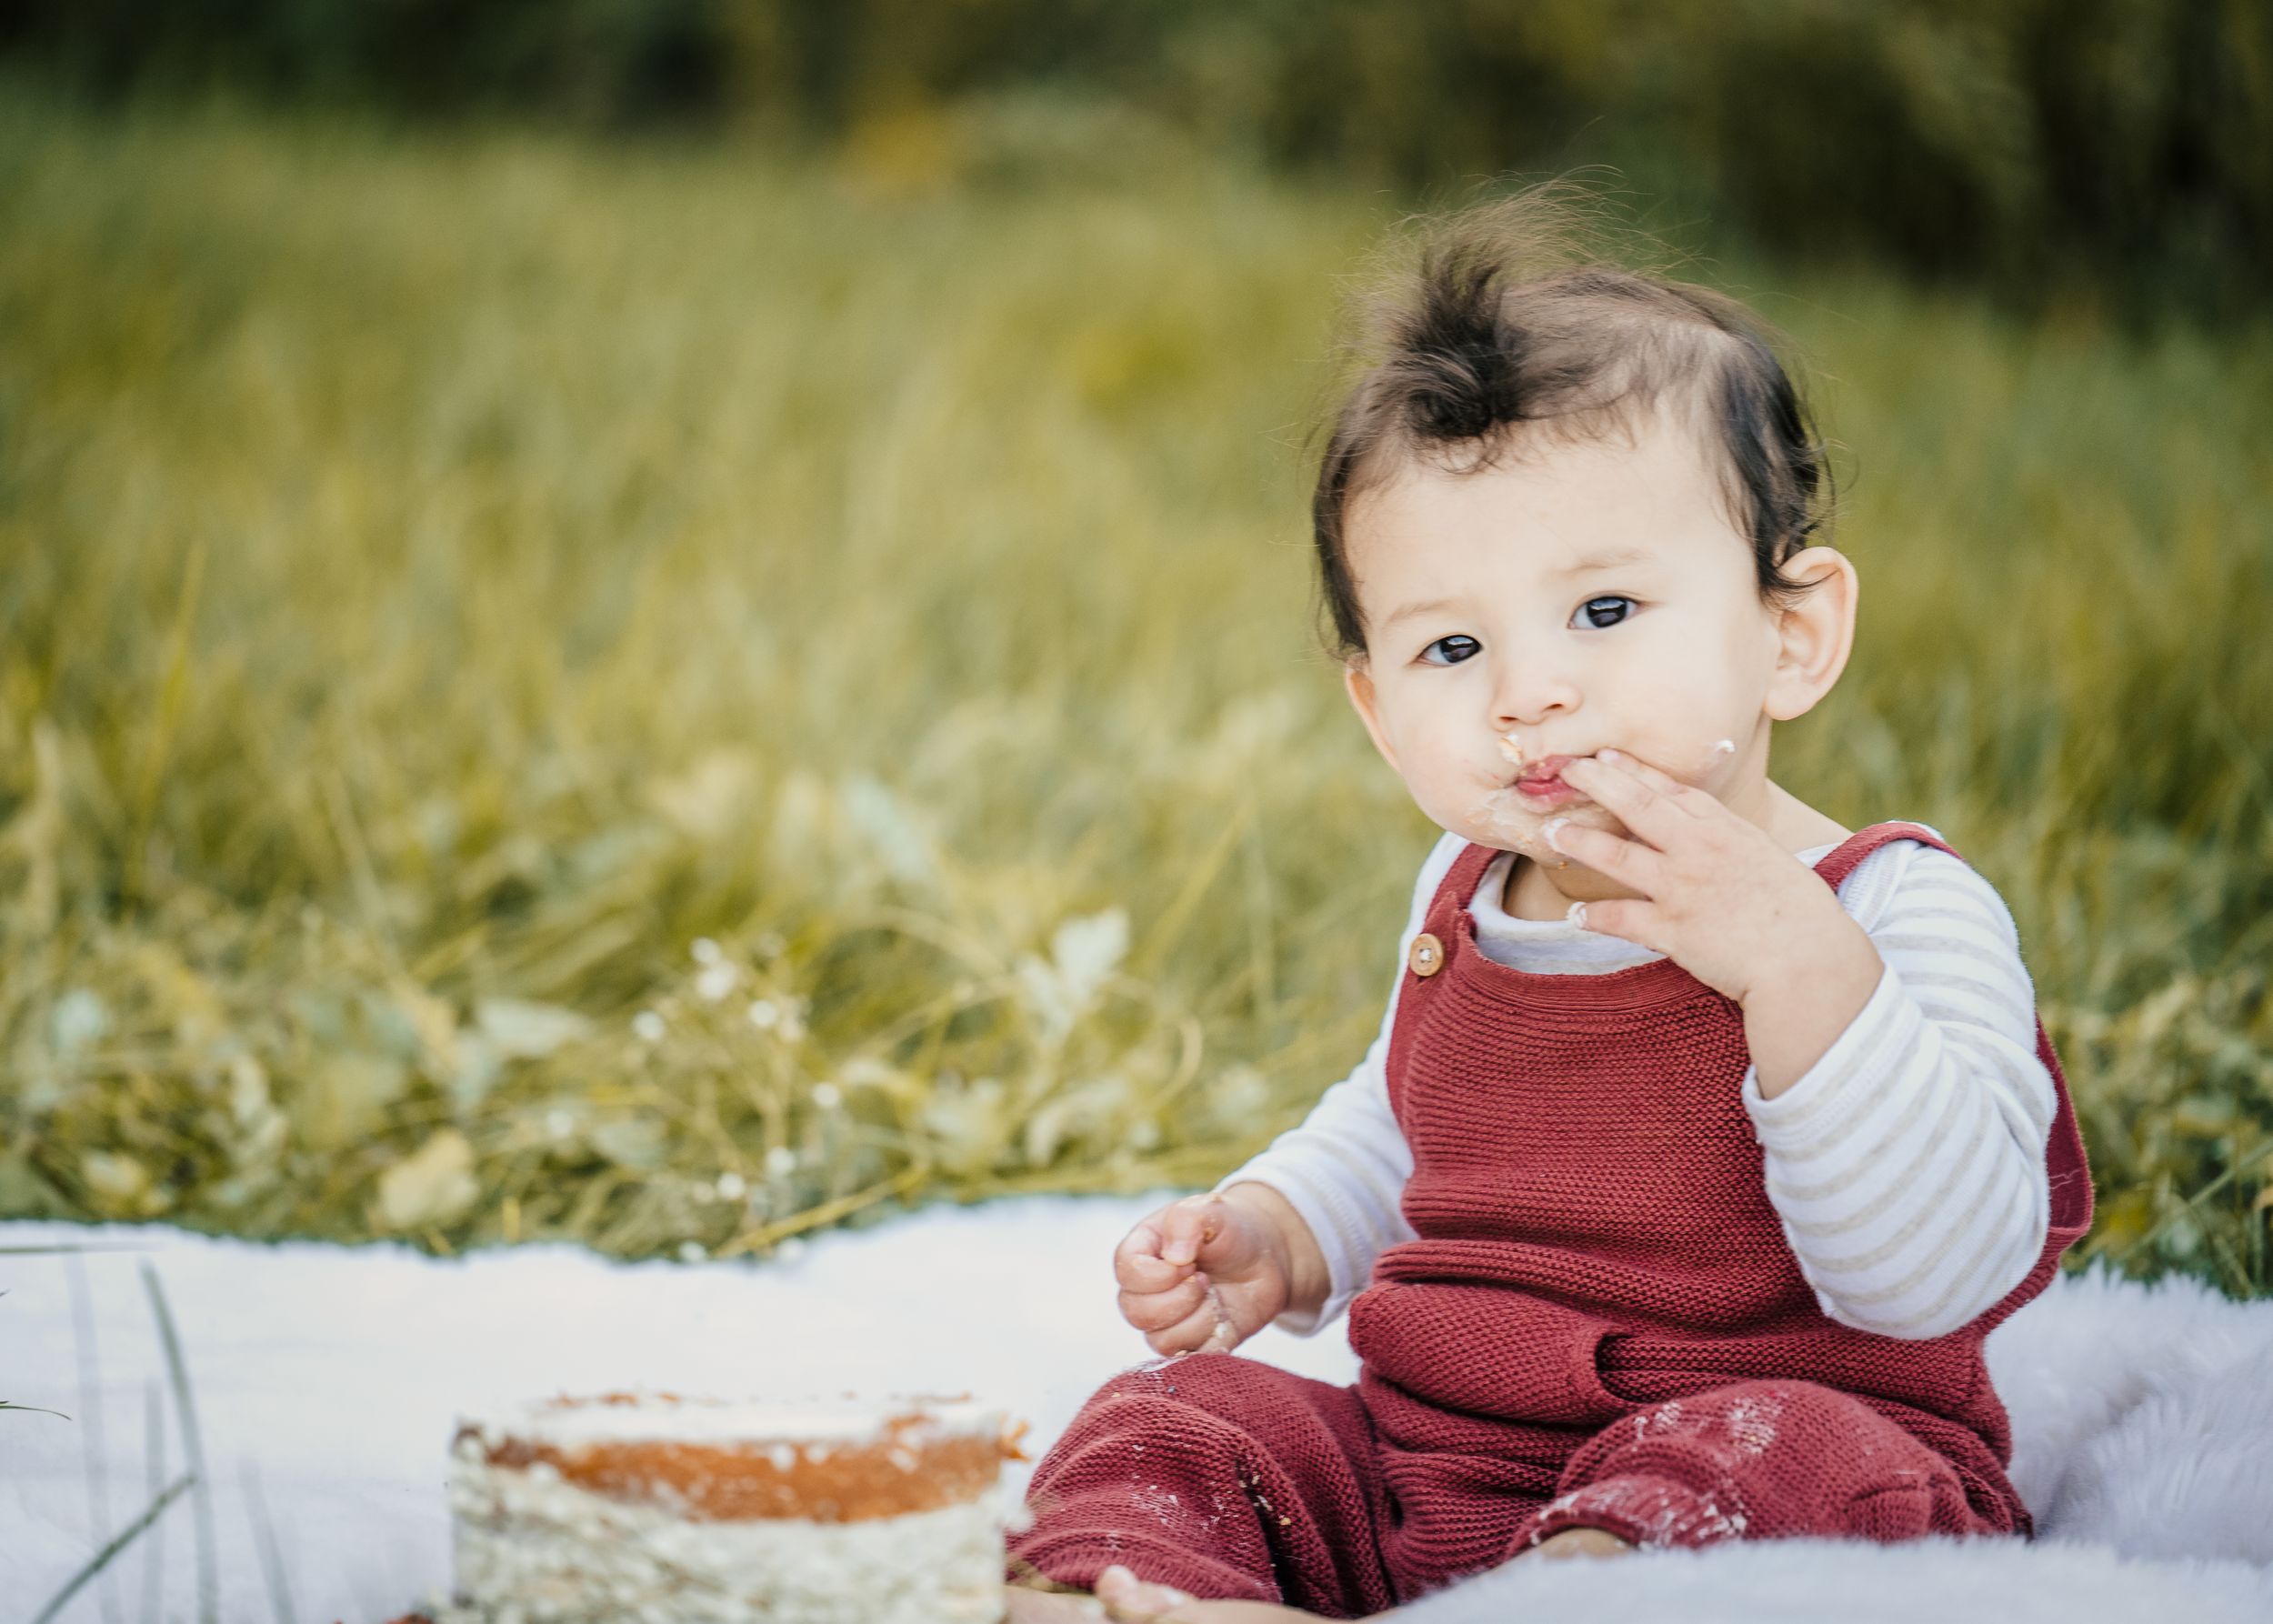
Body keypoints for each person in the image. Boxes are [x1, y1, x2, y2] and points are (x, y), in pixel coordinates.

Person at [1004, 189, 2094, 1623]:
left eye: (1602, 612)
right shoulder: (1465, 900)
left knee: (1777, 1452)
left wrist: (1793, 964)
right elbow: (1407, 1119)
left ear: (1790, 635)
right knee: (1177, 1416)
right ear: (1382, 716)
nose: (1529, 693)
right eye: (1454, 645)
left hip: (1753, 1472)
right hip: (1433, 1465)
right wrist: (1278, 1231)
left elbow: (1938, 1273)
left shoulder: (1895, 908)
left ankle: (1559, 1597)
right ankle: (1118, 1598)